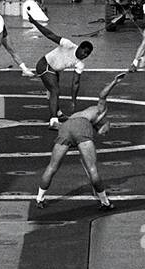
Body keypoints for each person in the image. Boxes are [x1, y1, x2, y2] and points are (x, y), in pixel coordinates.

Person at [35, 72, 125, 211]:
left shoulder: (86, 115)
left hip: (66, 126)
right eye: (107, 130)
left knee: (52, 167)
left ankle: (39, 199)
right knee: (93, 169)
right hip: (79, 126)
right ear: (106, 122)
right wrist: (114, 82)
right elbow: (102, 95)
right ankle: (105, 202)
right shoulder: (101, 110)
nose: (105, 133)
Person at [27, 10, 93, 127]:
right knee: (55, 91)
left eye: (87, 54)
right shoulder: (68, 44)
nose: (85, 55)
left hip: (55, 71)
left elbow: (75, 83)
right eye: (85, 52)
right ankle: (54, 122)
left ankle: (58, 113)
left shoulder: (80, 64)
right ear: (80, 47)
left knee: (53, 91)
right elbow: (49, 35)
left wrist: (73, 100)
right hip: (44, 65)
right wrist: (35, 22)